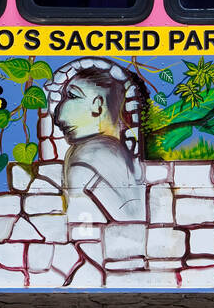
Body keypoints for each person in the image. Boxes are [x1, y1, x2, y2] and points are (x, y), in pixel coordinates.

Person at [53, 66, 145, 222]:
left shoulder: (86, 156)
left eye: (72, 96)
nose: (58, 117)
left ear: (97, 105)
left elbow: (81, 230)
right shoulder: (117, 152)